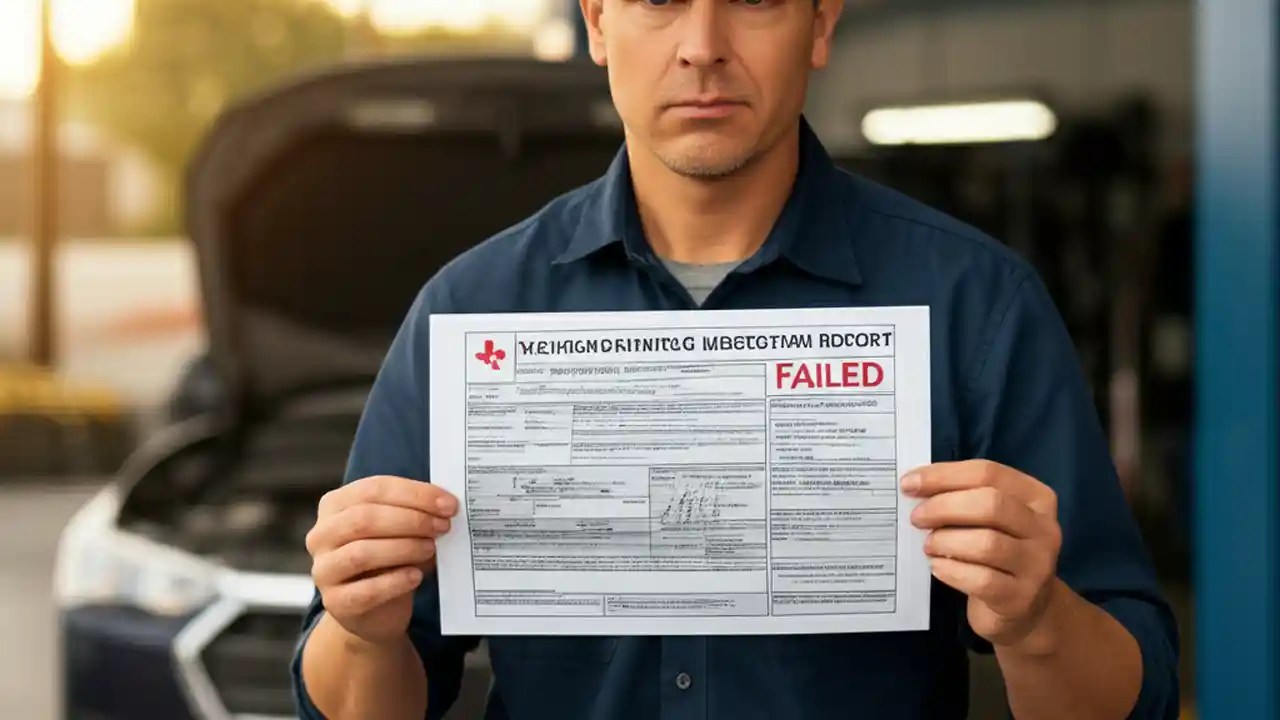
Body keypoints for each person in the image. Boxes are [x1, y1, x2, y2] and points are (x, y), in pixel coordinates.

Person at [291, 1, 1180, 718]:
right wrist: (364, 634)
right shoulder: (471, 311)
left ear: (823, 22)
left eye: (754, 0)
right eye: (658, 1)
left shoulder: (976, 306)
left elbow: (1133, 698)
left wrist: (1036, 623)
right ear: (596, 22)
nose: (703, 47)